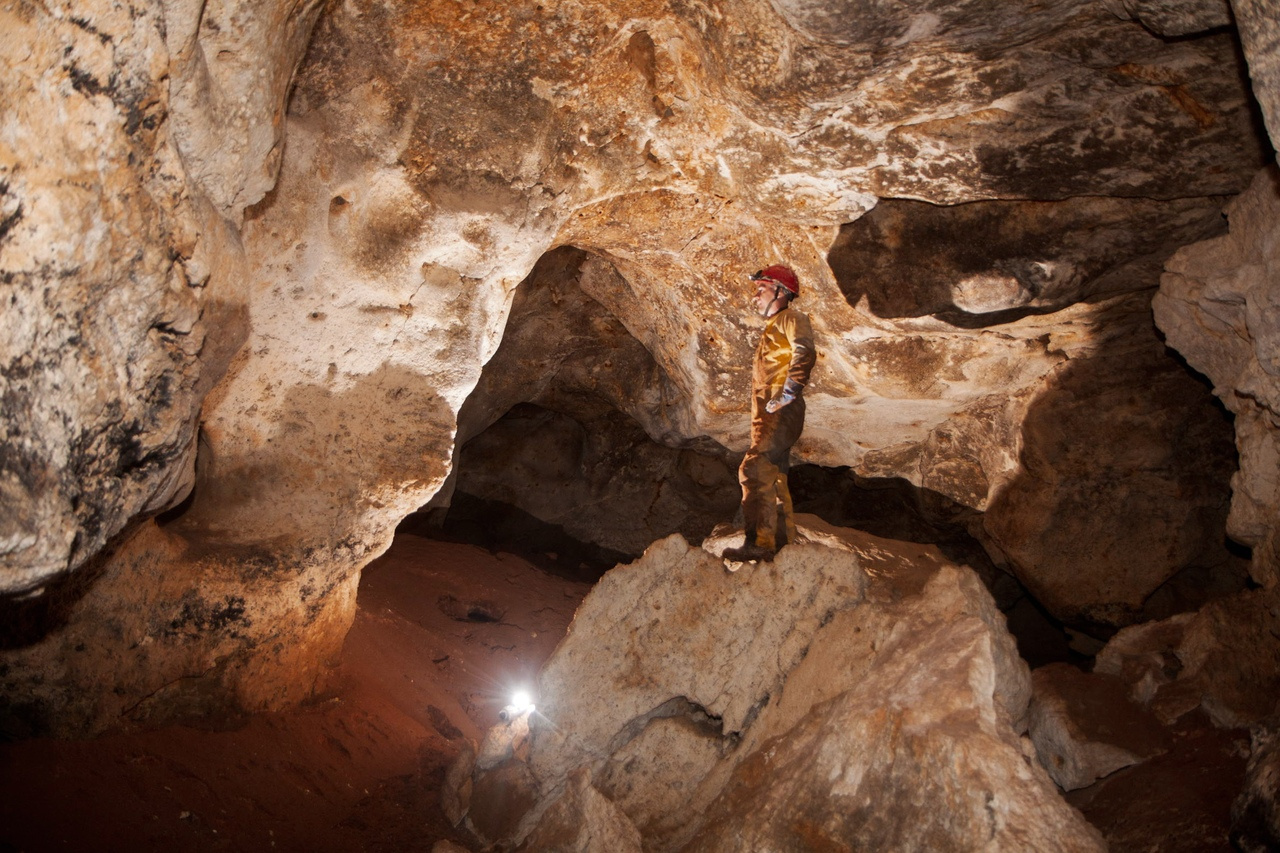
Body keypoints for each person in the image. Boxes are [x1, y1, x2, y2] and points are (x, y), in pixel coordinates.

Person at [723, 264, 817, 562]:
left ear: (780, 290)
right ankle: (781, 545)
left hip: (780, 410)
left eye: (761, 289)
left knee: (754, 468)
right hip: (770, 413)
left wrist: (787, 393)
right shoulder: (774, 326)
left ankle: (760, 544)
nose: (756, 297)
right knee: (775, 475)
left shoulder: (792, 318)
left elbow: (805, 350)